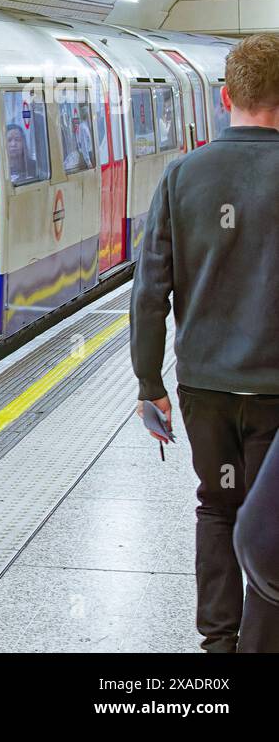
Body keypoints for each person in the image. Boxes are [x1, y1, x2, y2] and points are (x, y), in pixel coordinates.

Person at [131, 32, 279, 653]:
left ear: (225, 97)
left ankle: (218, 644)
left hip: (204, 387)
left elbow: (149, 290)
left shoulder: (182, 175)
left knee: (216, 506)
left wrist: (149, 386)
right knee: (271, 519)